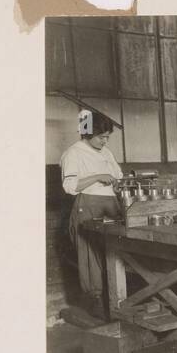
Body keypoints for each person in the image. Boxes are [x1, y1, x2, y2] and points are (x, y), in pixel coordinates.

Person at [59, 111, 123, 298]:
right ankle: (96, 299)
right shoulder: (73, 153)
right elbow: (70, 186)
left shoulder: (106, 152)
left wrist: (118, 185)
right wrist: (97, 176)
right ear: (88, 134)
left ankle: (117, 297)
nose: (105, 141)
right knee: (91, 255)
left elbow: (117, 175)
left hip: (111, 205)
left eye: (107, 137)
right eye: (101, 137)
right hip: (88, 205)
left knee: (114, 253)